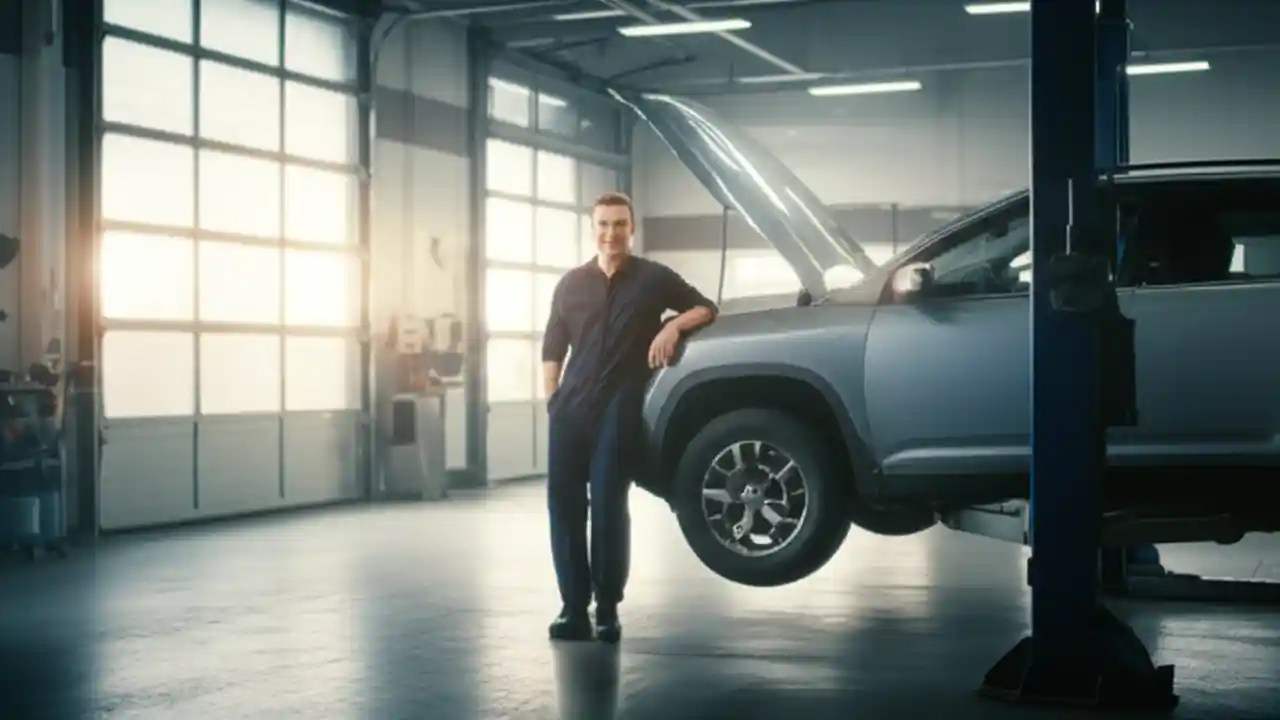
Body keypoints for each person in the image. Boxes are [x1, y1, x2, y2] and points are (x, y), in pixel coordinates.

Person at [541, 192, 717, 643]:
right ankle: (572, 608)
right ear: (592, 228)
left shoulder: (653, 278)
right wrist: (552, 403)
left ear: (631, 228)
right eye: (603, 224)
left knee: (608, 506)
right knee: (563, 507)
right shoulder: (570, 284)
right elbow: (552, 346)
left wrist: (672, 326)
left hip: (619, 409)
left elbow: (705, 306)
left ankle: (607, 609)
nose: (611, 233)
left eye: (619, 224)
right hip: (570, 409)